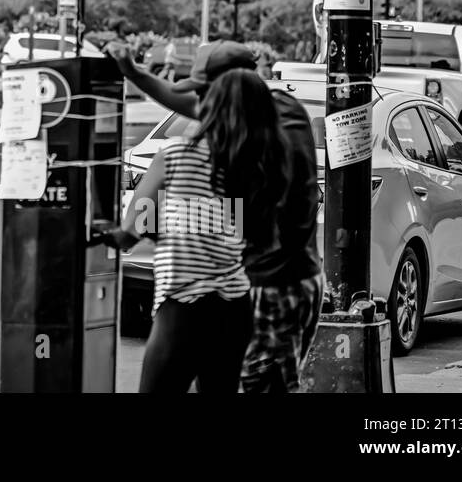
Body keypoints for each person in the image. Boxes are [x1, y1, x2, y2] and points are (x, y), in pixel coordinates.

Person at [106, 40, 324, 393]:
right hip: (288, 281)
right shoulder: (278, 113)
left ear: (219, 91)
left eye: (204, 93)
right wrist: (134, 73)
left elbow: (139, 227)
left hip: (267, 286)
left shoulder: (243, 142)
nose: (198, 105)